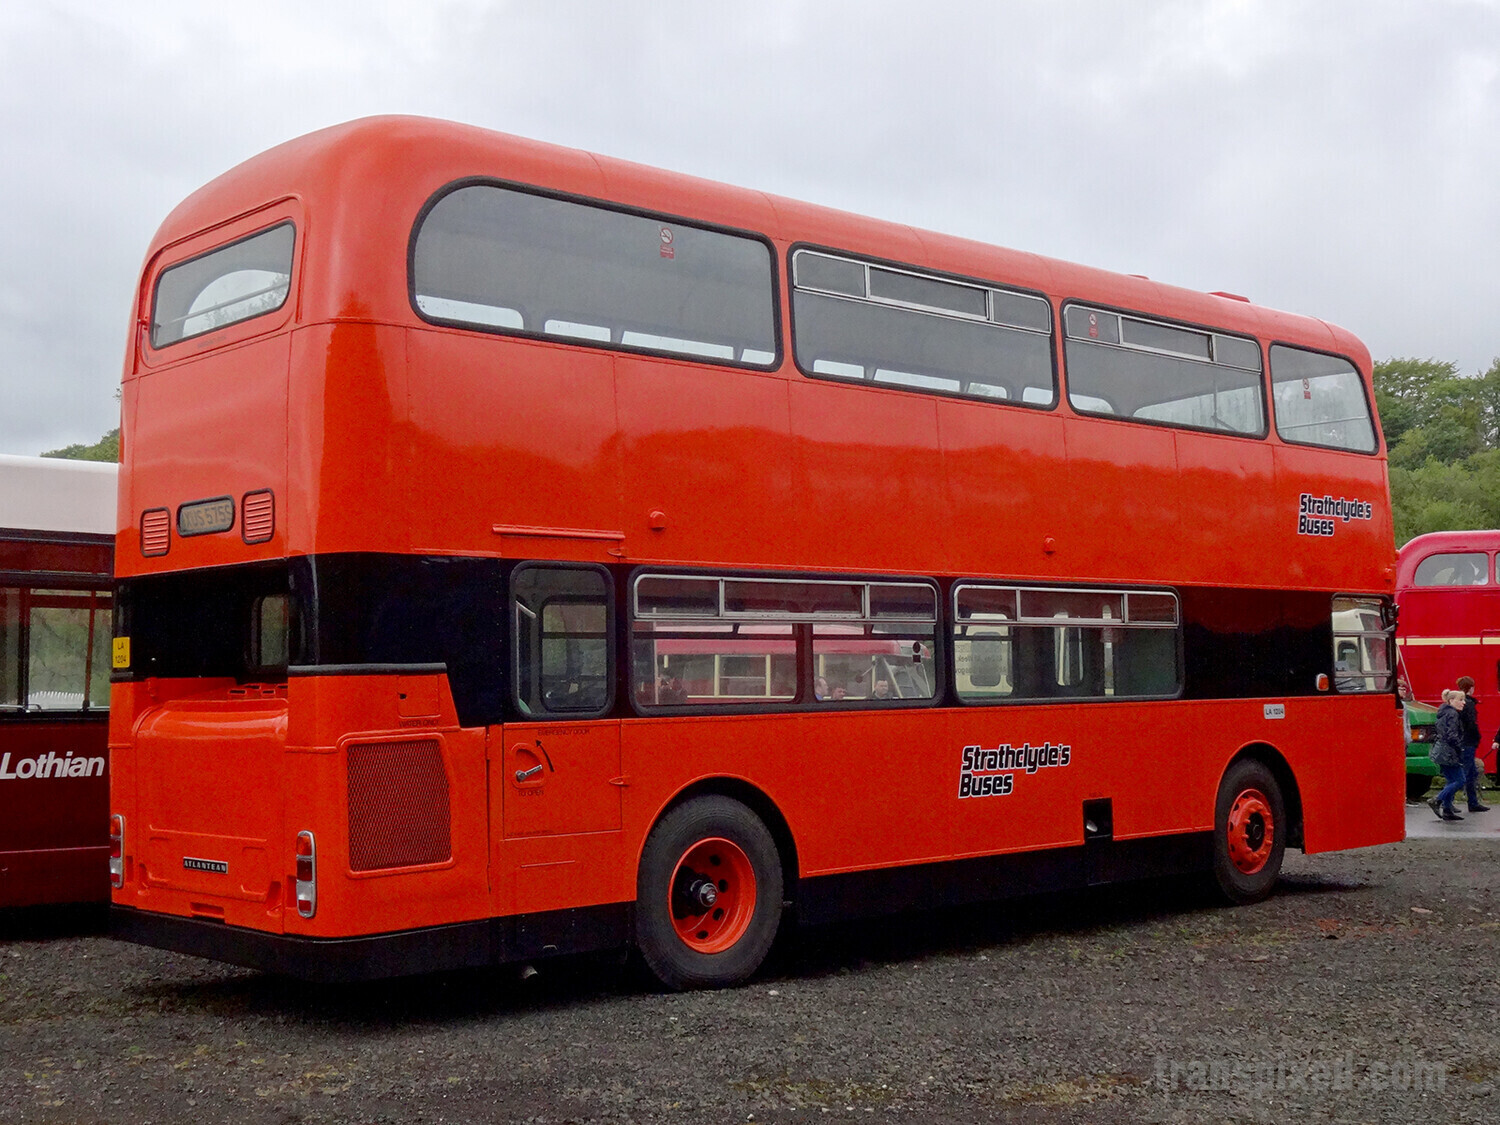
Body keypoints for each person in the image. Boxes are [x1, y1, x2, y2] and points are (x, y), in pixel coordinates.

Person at [1429, 689, 1469, 821]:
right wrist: (1459, 748)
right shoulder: (1452, 714)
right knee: (1460, 780)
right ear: (1451, 701)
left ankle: (1447, 810)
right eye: (1460, 700)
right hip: (1449, 752)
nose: (1463, 703)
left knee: (1451, 780)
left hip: (1441, 750)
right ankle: (1437, 799)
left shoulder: (1443, 712)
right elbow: (1451, 735)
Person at [1456, 676, 1491, 812]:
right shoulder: (1468, 703)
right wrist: (1477, 736)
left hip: (1464, 741)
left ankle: (1473, 802)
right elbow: (1471, 724)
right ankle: (1442, 799)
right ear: (1471, 687)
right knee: (1464, 773)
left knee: (1472, 773)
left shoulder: (1460, 702)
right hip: (1468, 741)